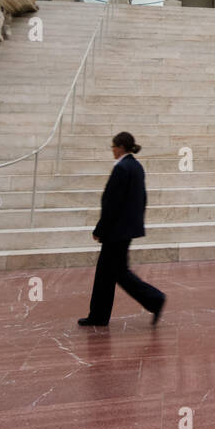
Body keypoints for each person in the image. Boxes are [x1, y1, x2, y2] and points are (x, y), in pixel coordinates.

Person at [79, 131, 166, 326]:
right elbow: (141, 199)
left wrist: (100, 229)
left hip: (115, 231)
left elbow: (112, 204)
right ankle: (99, 316)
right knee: (107, 273)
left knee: (117, 273)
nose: (112, 150)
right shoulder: (136, 166)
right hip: (125, 229)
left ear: (119, 147)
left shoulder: (122, 168)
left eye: (113, 147)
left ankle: (155, 298)